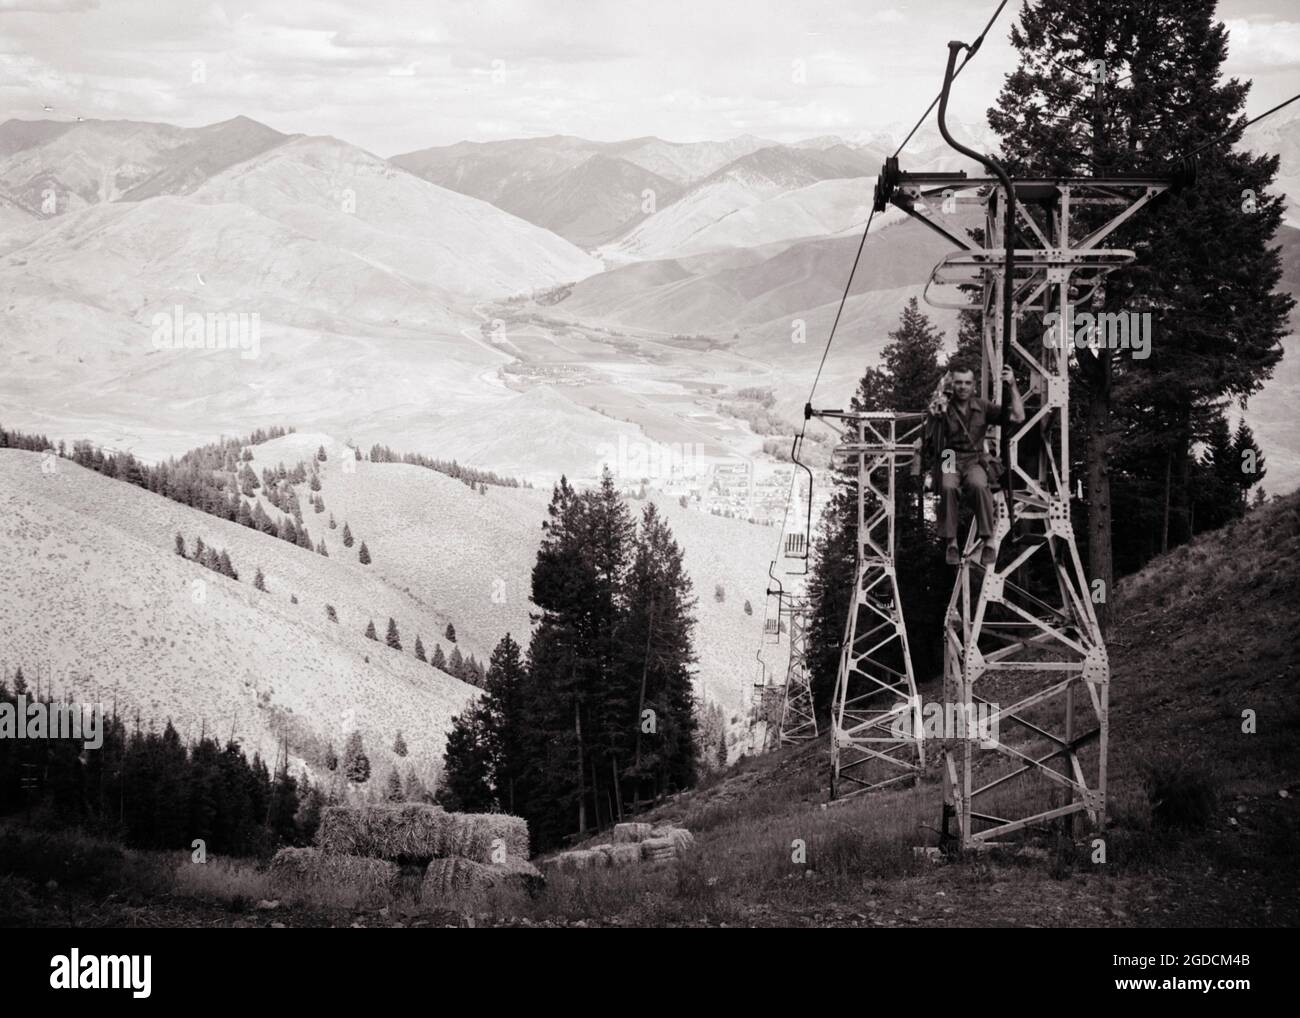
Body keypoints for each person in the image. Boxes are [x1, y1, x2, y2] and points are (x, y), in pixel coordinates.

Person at [923, 359, 1024, 566]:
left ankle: (988, 539)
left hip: (974, 456)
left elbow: (1018, 416)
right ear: (953, 385)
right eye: (959, 383)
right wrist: (933, 416)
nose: (962, 387)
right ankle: (951, 542)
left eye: (967, 383)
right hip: (950, 455)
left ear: (974, 385)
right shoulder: (943, 406)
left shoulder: (983, 407)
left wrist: (1012, 385)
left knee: (979, 485)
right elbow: (930, 437)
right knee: (948, 486)